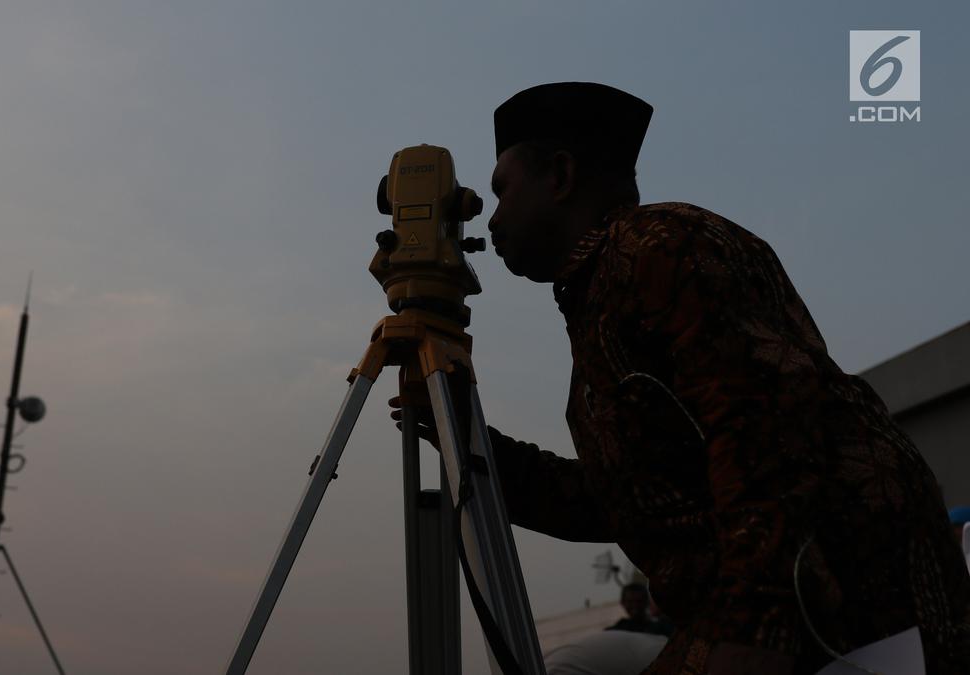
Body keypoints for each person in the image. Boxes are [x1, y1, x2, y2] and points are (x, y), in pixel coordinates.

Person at [392, 82, 970, 674]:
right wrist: (467, 437)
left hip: (849, 620)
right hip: (779, 609)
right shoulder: (602, 295)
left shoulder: (662, 248)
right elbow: (620, 502)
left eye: (502, 191)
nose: (493, 219)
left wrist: (752, 632)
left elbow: (765, 431)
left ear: (560, 176)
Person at [607, 583, 672, 637]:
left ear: (647, 602)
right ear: (623, 603)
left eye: (639, 601)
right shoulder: (617, 630)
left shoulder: (664, 626)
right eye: (630, 601)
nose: (635, 605)